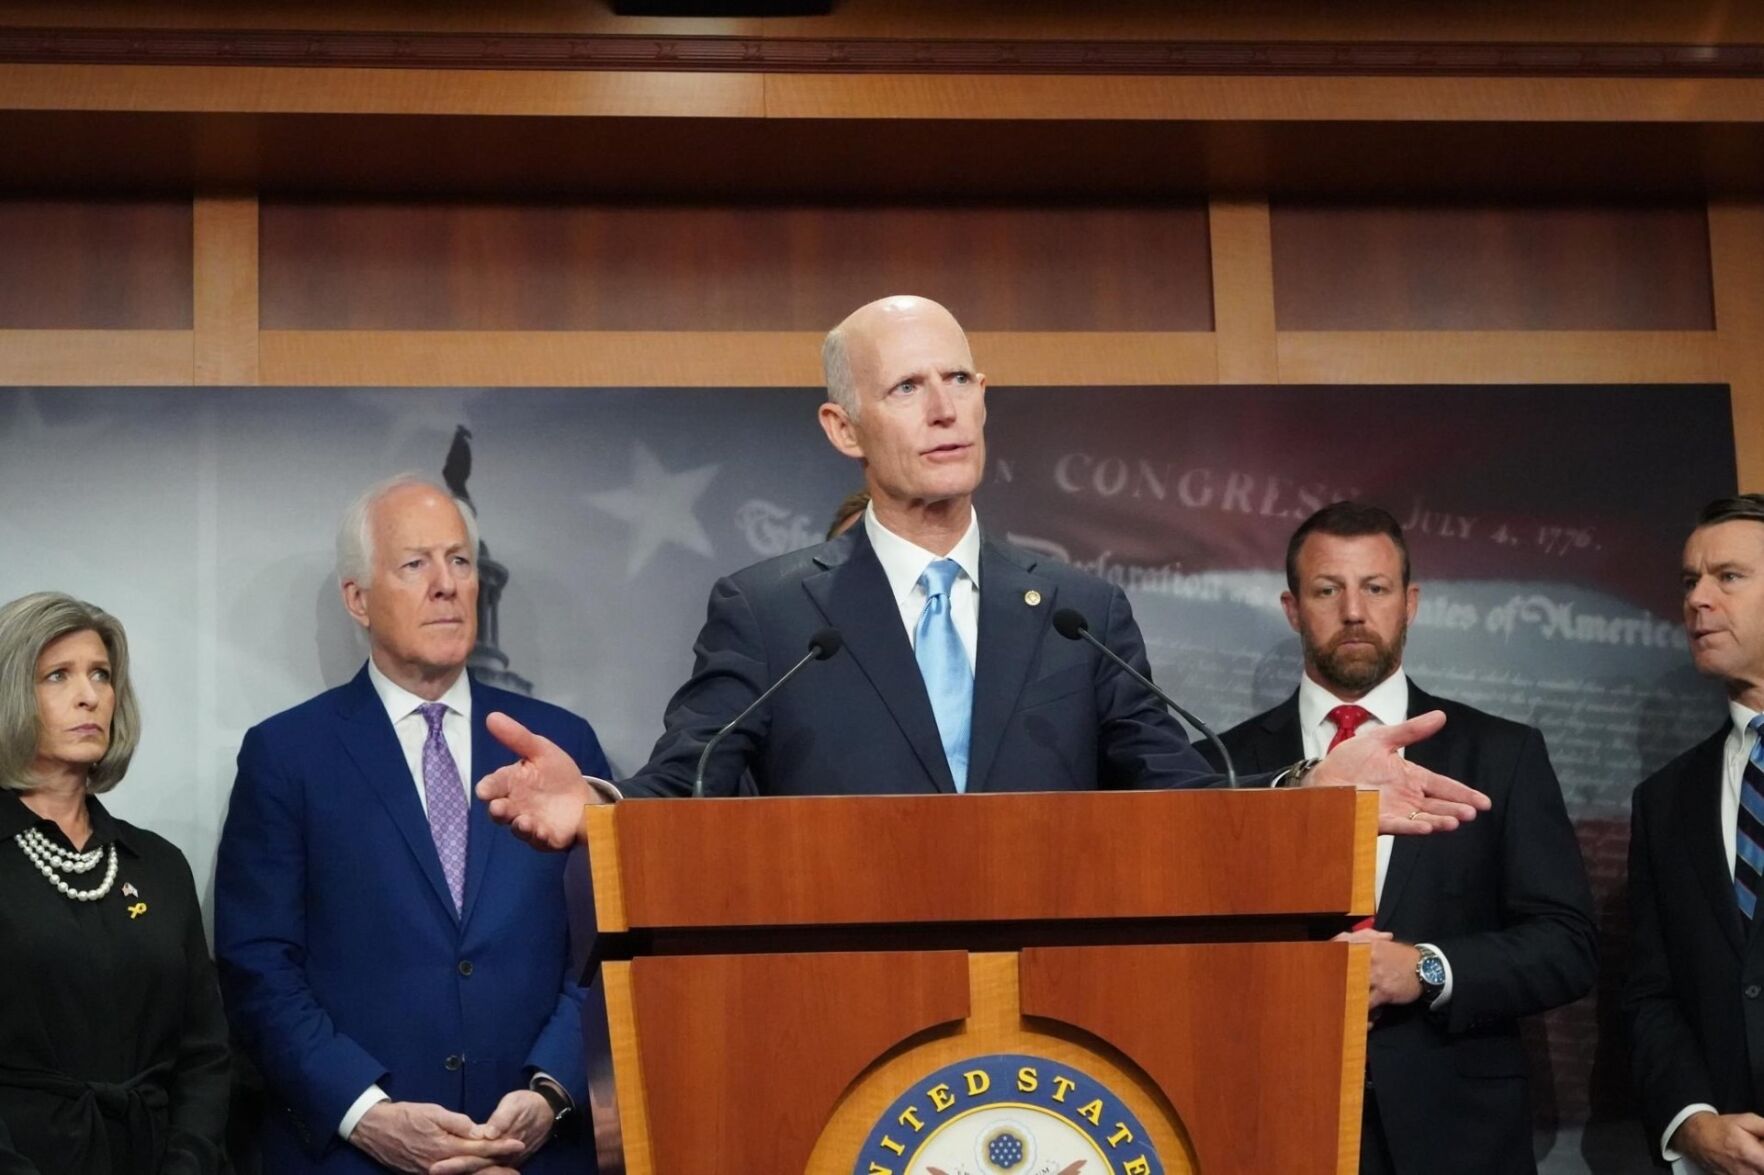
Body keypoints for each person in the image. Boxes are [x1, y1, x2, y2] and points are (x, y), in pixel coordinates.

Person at [477, 295, 1490, 849]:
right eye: (907, 387)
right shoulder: (773, 609)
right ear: (843, 427)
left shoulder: (1079, 611)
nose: (944, 408)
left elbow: (1183, 799)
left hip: (1054, 1013)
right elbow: (688, 784)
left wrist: (1310, 788)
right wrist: (596, 804)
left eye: (959, 378)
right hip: (847, 1002)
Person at [214, 475, 609, 1174]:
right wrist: (366, 1113)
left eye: (459, 561)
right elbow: (259, 967)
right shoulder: (287, 754)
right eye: (415, 564)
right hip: (357, 1158)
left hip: (534, 1154)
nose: (446, 584)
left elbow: (605, 946)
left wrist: (551, 1091)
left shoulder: (558, 747)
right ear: (357, 599)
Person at [1205, 503, 1595, 1174]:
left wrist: (1424, 968)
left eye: (1376, 588)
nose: (1354, 611)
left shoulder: (1502, 755)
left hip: (1458, 1135)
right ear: (1292, 608)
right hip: (1271, 1117)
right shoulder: (1223, 769)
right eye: (1327, 590)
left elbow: (1566, 944)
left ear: (1409, 602)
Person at [0, 592, 230, 1174]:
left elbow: (204, 1053)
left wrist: (187, 1162)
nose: (90, 695)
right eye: (58, 675)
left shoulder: (157, 864)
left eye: (101, 674)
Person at [1625, 493, 1764, 1174]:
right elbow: (1652, 992)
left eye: (1728, 576)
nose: (1697, 600)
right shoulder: (1664, 800)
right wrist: (1693, 1121)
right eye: (1689, 581)